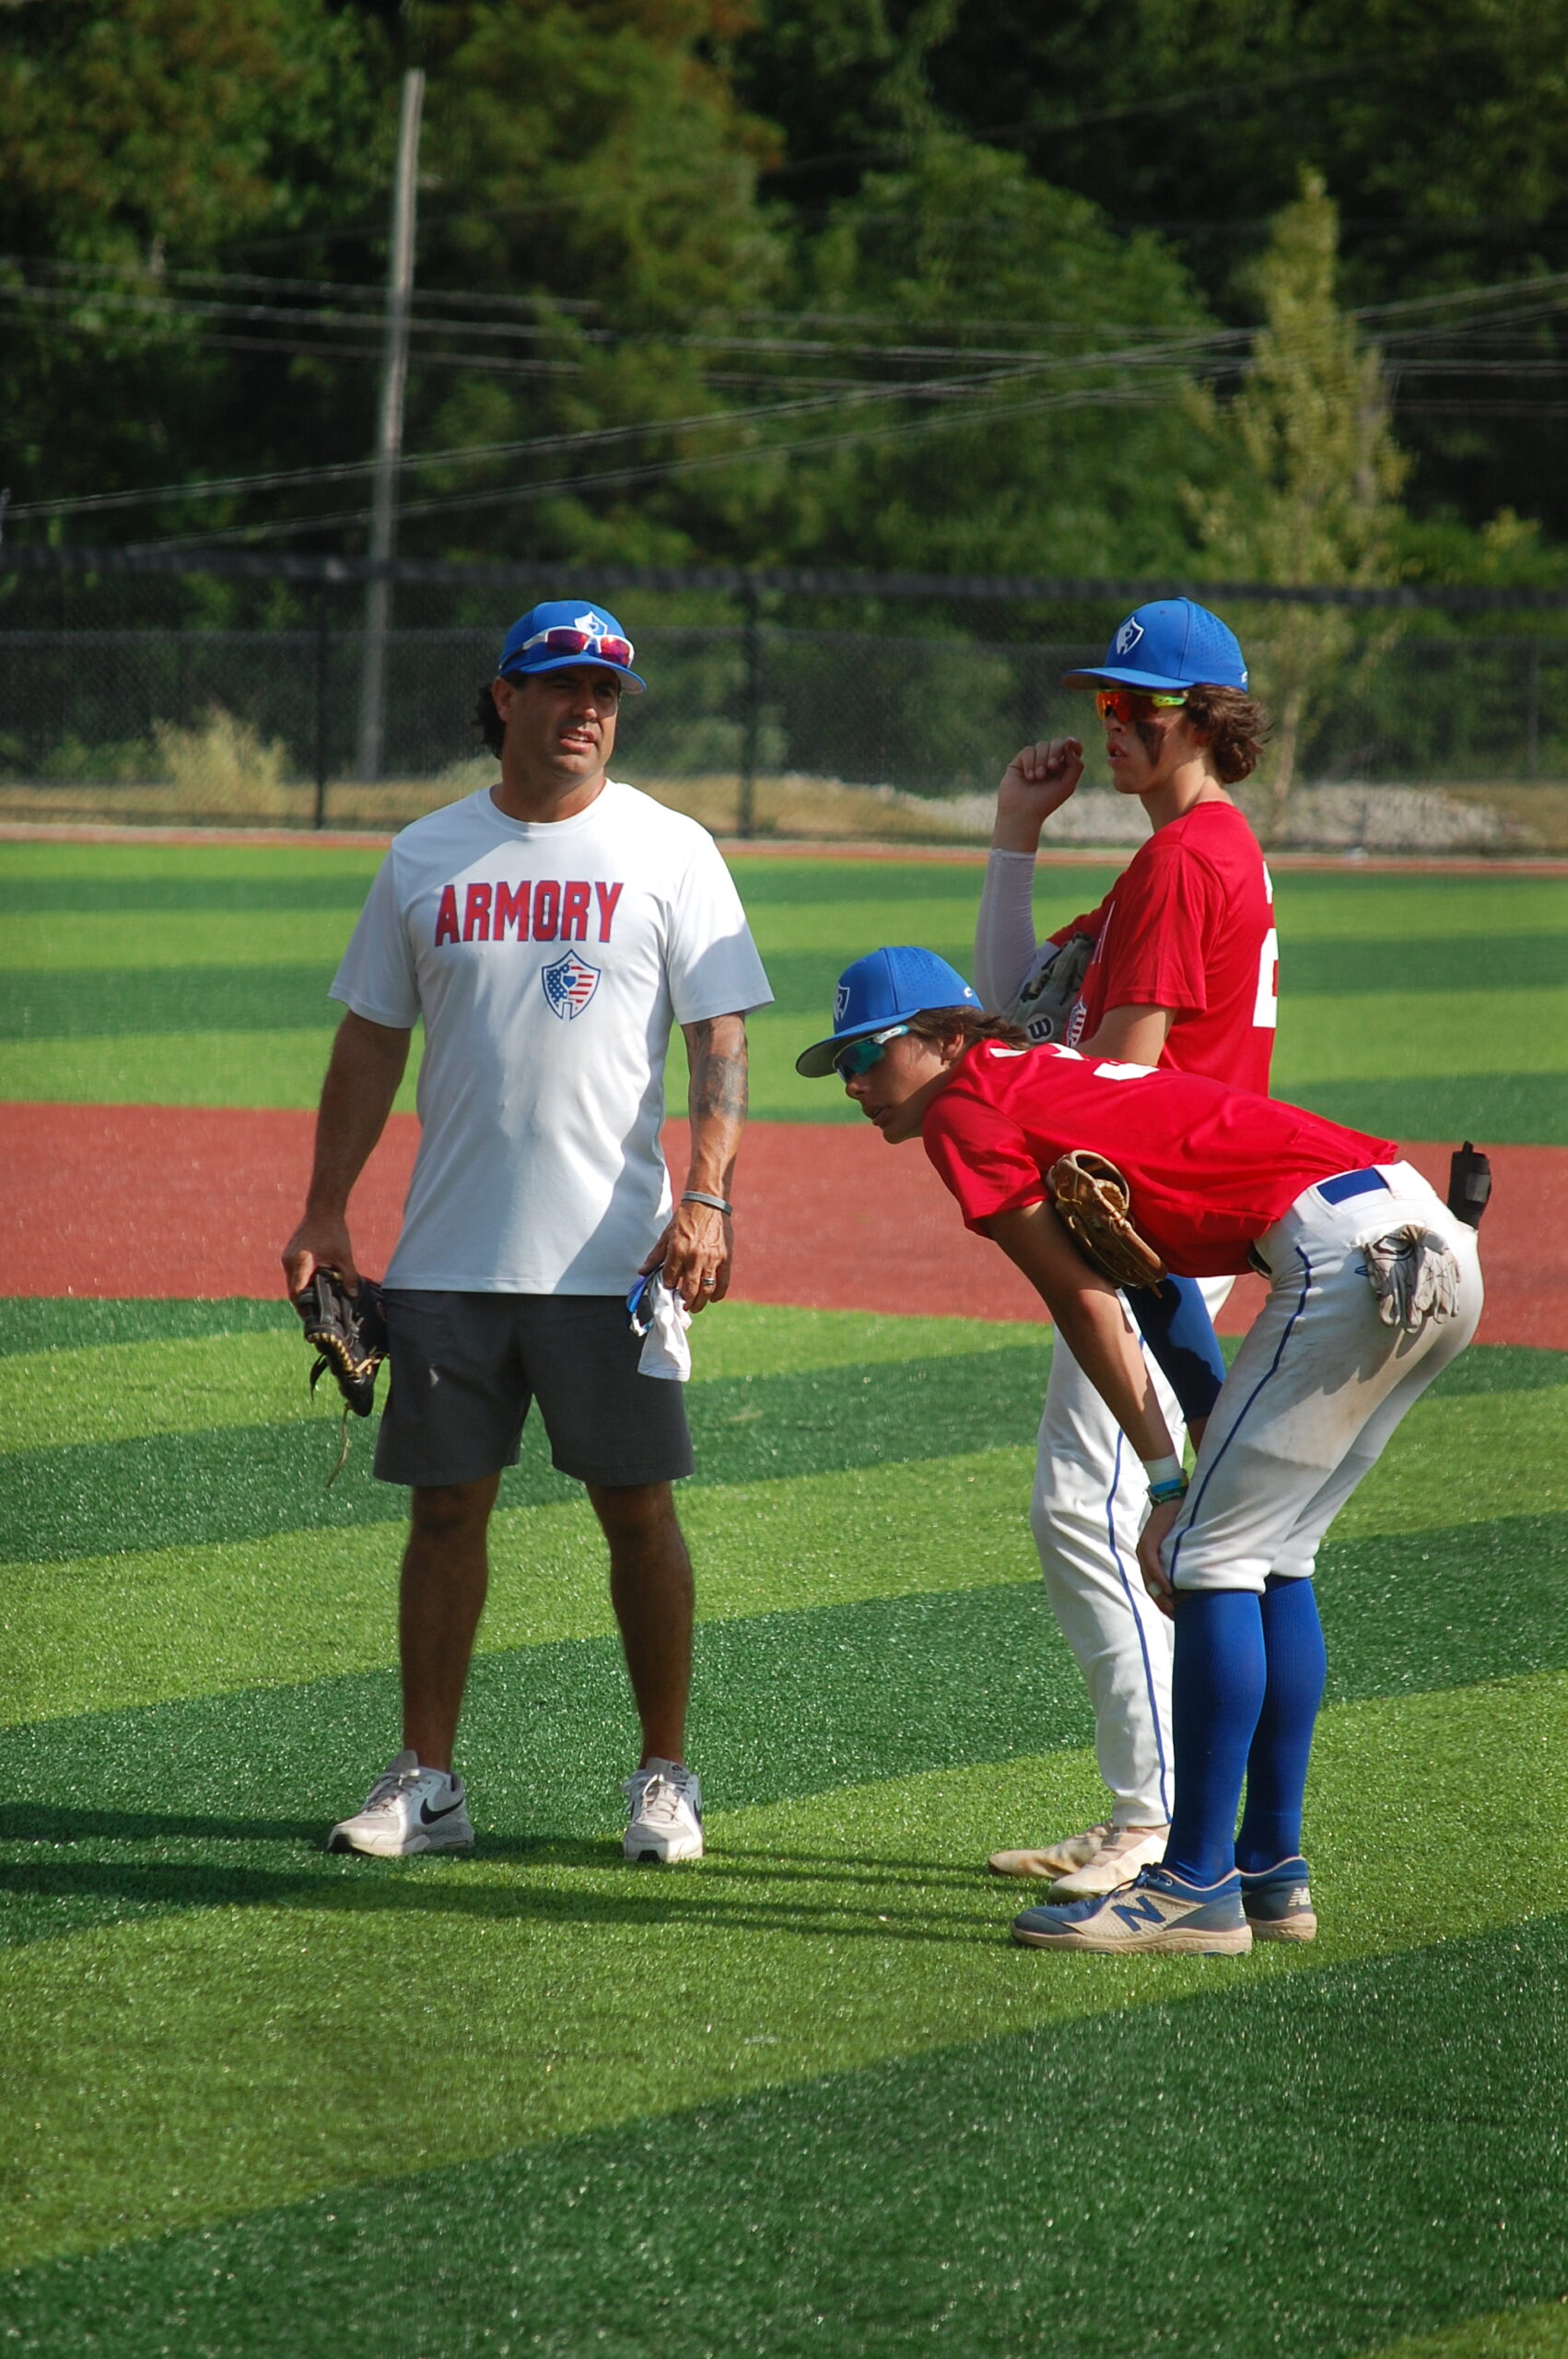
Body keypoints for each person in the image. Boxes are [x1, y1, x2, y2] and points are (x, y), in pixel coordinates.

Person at [796, 950, 1481, 1954]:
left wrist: (1166, 1485)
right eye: (840, 1065)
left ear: (944, 1039)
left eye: (866, 1052)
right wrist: (1203, 1420)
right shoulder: (1053, 1078)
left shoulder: (962, 1107)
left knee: (1207, 1558)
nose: (854, 1082)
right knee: (1274, 1555)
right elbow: (1146, 1273)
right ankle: (1269, 1871)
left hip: (1342, 1261)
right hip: (1434, 1240)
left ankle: (1191, 1885)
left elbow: (1084, 1299)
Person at [282, 601, 773, 1866]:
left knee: (638, 1512)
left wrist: (707, 1196)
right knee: (443, 1513)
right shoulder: (423, 856)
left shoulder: (670, 850)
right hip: (450, 1251)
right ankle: (426, 1783)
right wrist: (327, 1207)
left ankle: (665, 1780)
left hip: (615, 1258)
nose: (587, 708)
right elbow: (370, 1037)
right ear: (504, 697)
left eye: (605, 689)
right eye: (559, 683)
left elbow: (719, 1032)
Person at [971, 599, 1275, 1900]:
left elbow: (1127, 1081)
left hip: (1153, 1219)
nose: (1115, 726)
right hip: (1175, 1214)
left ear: (1204, 719)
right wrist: (1009, 841)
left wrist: (1022, 1094)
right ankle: (1153, 1808)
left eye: (1138, 708)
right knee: (1109, 1512)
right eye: (1106, 704)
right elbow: (1003, 1004)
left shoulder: (1181, 862)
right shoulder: (1190, 855)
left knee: (1096, 1508)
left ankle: (1150, 1820)